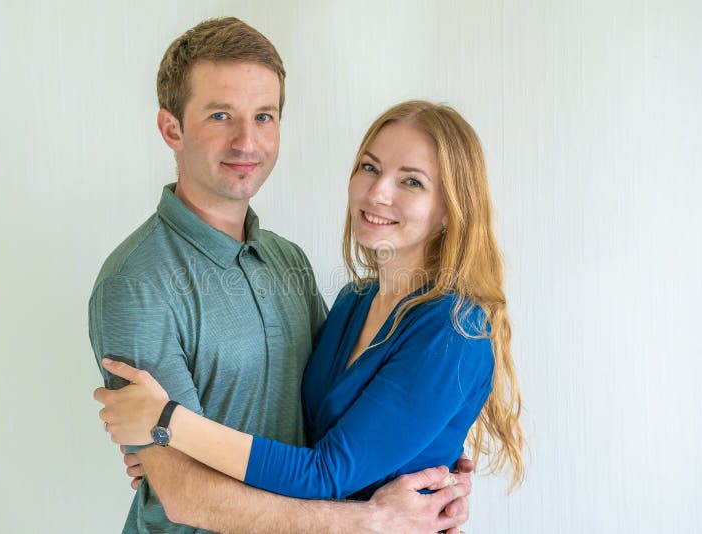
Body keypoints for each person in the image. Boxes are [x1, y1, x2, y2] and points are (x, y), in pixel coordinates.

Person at [88, 17, 473, 534]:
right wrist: (369, 521)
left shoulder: (287, 261)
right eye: (221, 115)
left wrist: (429, 455)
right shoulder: (137, 284)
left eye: (264, 116)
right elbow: (187, 497)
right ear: (171, 128)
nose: (248, 141)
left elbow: (339, 413)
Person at [96, 100, 525, 504]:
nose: (377, 193)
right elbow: (300, 435)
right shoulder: (354, 301)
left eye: (411, 181)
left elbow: (325, 473)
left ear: (451, 208)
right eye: (369, 168)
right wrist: (166, 461)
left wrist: (169, 424)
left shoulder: (452, 330)